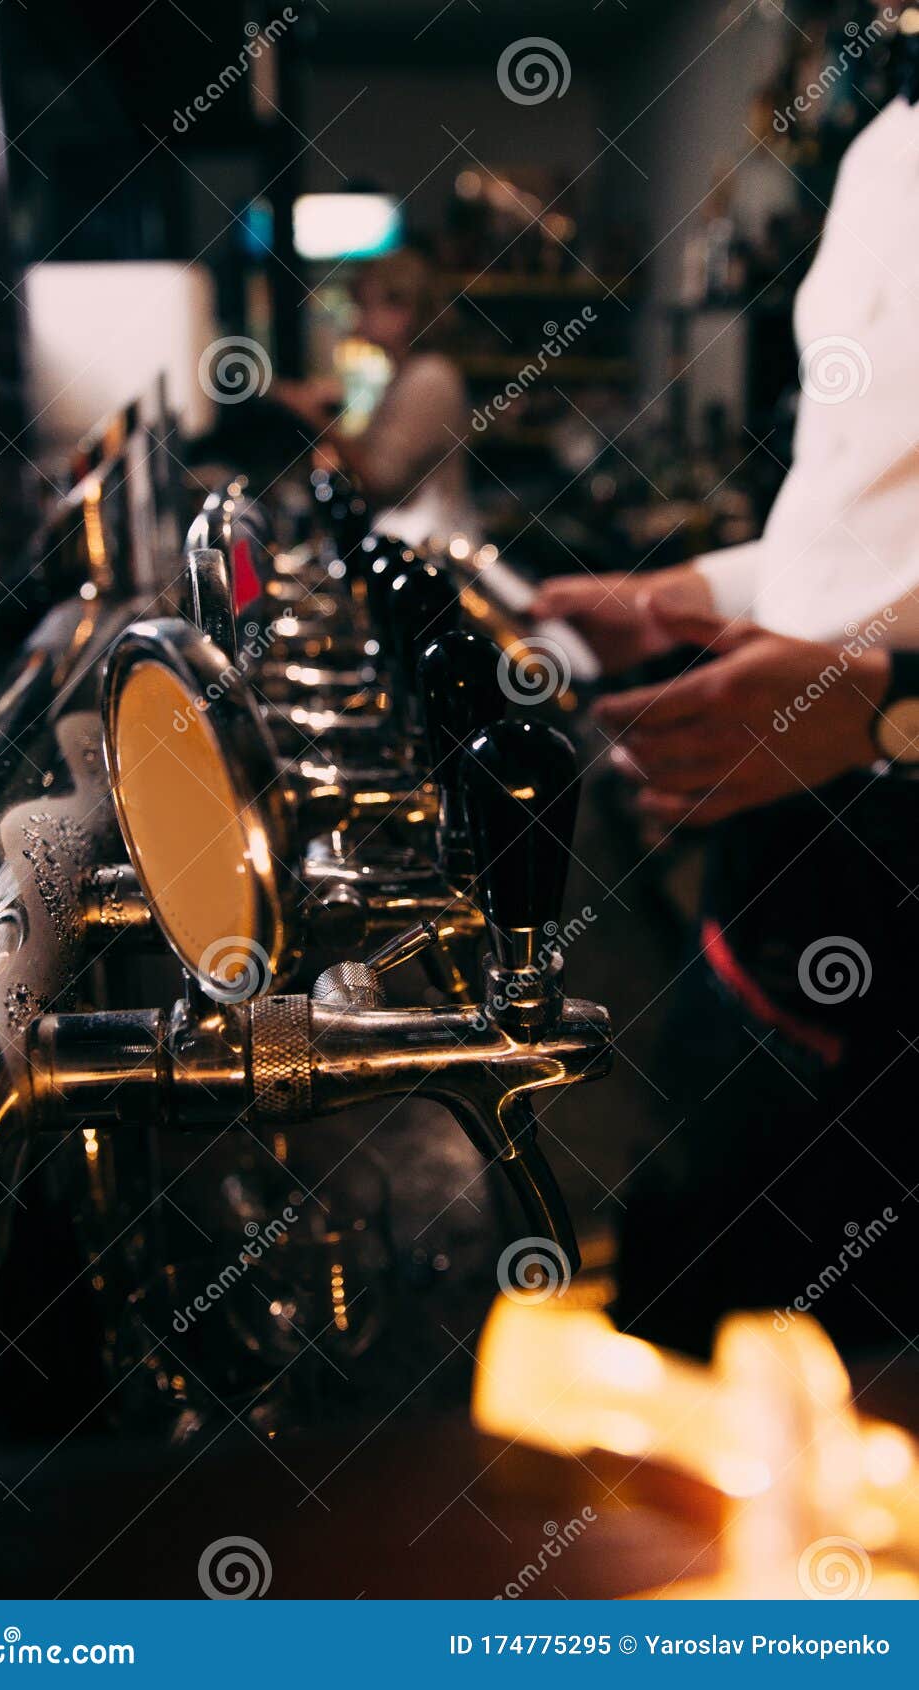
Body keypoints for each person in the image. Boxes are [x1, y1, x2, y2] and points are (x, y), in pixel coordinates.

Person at [530, 28, 919, 1357]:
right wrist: (668, 600)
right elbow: (870, 519)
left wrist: (882, 703)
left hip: (889, 797)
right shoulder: (885, 139)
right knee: (695, 1298)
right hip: (797, 826)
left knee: (853, 1364)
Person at [276, 248, 477, 546]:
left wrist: (315, 417)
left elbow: (382, 478)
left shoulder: (429, 377)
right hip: (419, 545)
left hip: (432, 549)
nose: (357, 319)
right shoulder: (409, 373)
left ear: (403, 311)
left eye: (366, 306)